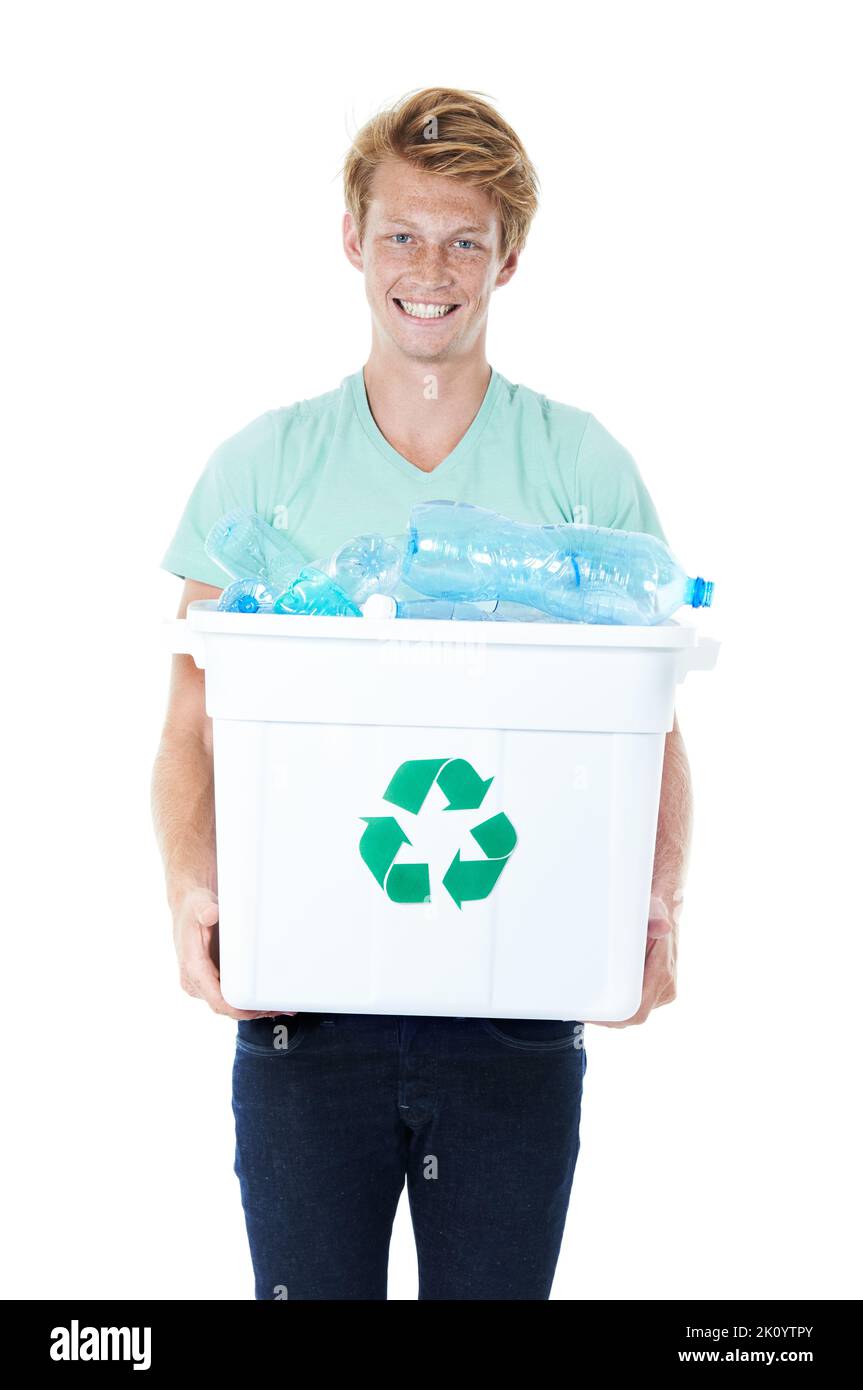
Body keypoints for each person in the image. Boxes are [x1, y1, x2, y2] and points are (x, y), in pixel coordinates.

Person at [151, 86, 693, 1301]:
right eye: (401, 233)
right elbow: (189, 720)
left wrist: (657, 894)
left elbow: (651, 723)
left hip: (516, 1013)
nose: (429, 270)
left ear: (510, 256)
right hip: (302, 1011)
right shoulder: (261, 471)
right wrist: (190, 883)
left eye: (463, 240)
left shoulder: (580, 469)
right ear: (352, 240)